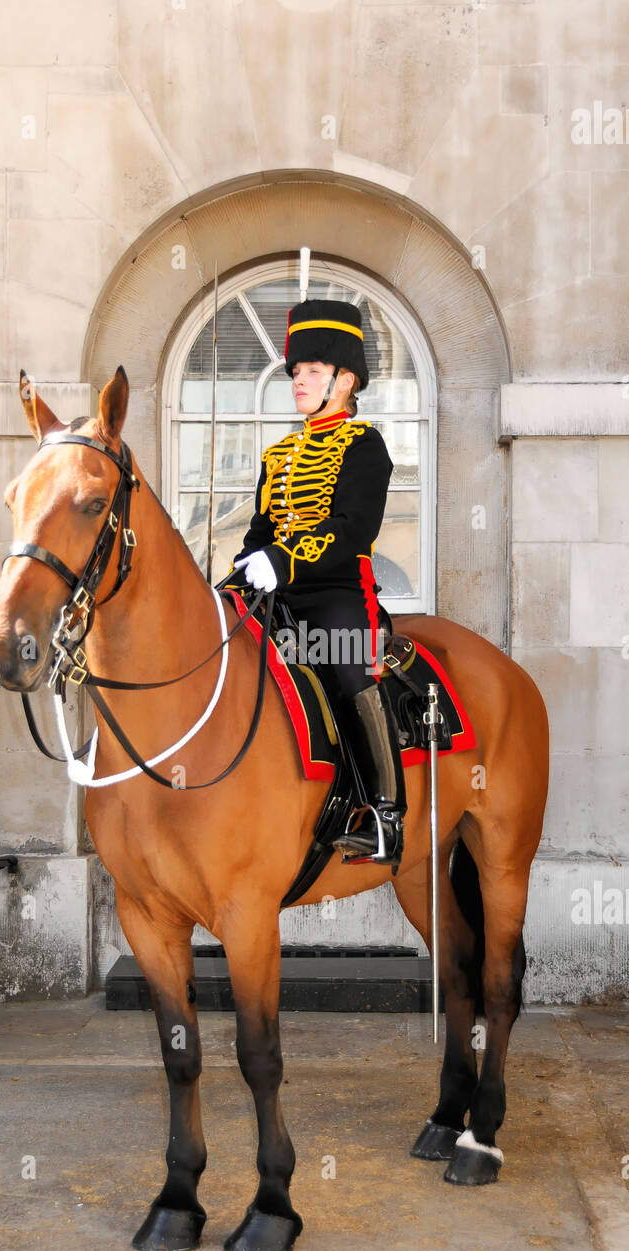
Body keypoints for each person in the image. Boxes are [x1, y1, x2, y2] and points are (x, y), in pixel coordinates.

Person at [221, 297, 406, 868]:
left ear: (344, 380)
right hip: (276, 592)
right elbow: (259, 530)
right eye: (296, 372)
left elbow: (352, 529)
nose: (299, 382)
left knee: (349, 671)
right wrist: (237, 577)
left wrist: (284, 559)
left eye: (312, 372)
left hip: (335, 594)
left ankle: (383, 813)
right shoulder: (277, 454)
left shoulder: (364, 444)